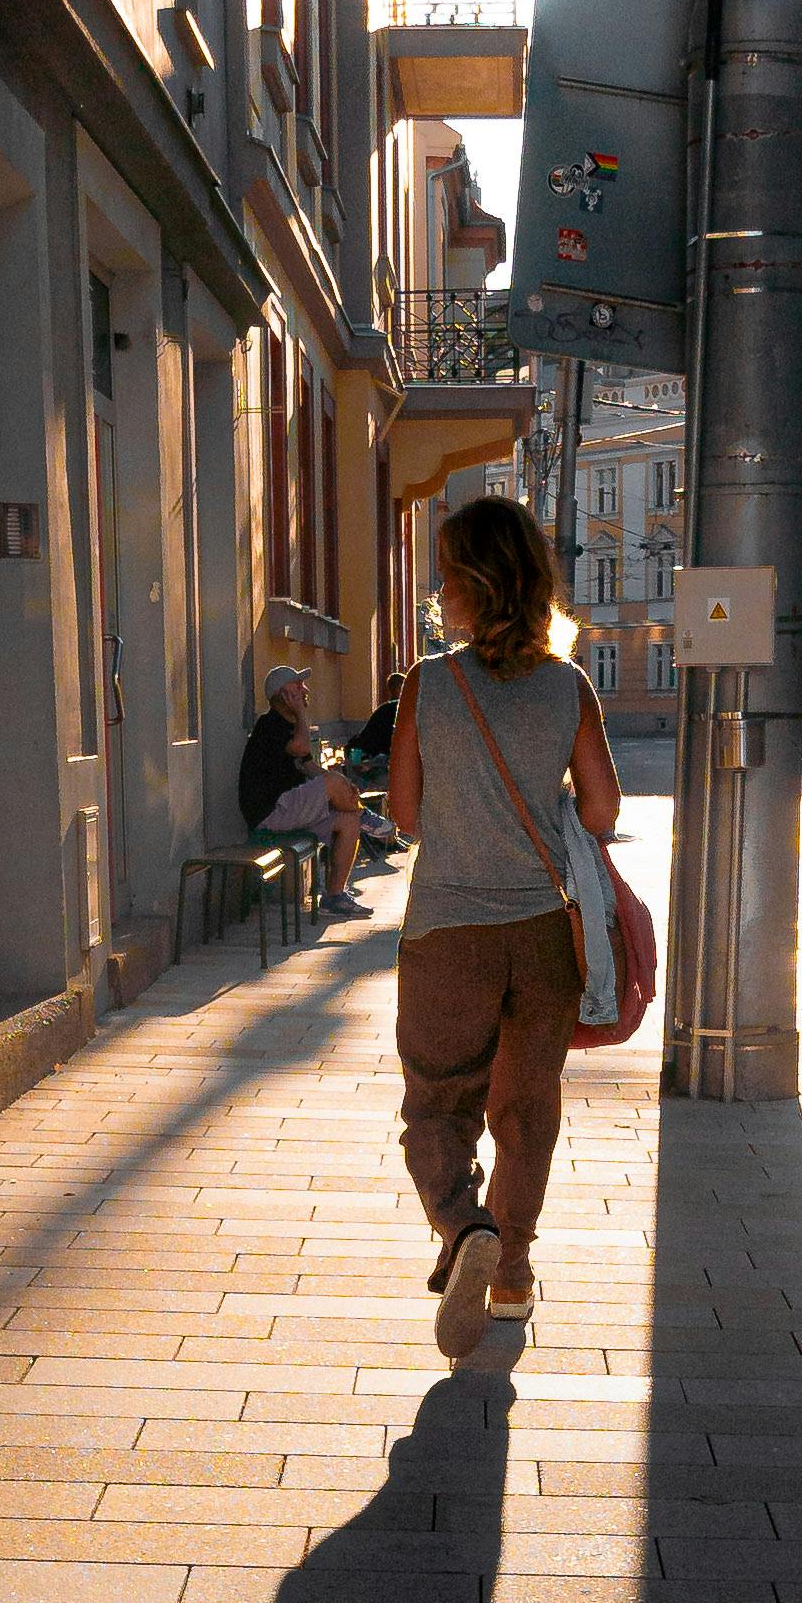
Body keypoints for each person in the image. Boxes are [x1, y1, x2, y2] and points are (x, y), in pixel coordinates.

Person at [383, 494, 619, 1360]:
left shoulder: (430, 684)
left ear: (475, 585)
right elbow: (601, 809)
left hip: (448, 931)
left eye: (447, 575)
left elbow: (405, 815)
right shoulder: (569, 687)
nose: (440, 592)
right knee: (527, 1109)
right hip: (542, 934)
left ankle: (461, 1224)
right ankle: (511, 1271)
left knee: (438, 1105)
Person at [235, 668, 363, 906]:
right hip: (271, 813)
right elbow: (302, 748)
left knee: (349, 820)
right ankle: (368, 817)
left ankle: (335, 896)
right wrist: (301, 713)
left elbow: (309, 766)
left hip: (290, 811)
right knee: (334, 783)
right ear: (282, 695)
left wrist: (346, 787)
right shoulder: (269, 724)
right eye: (297, 686)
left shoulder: (292, 726)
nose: (305, 690)